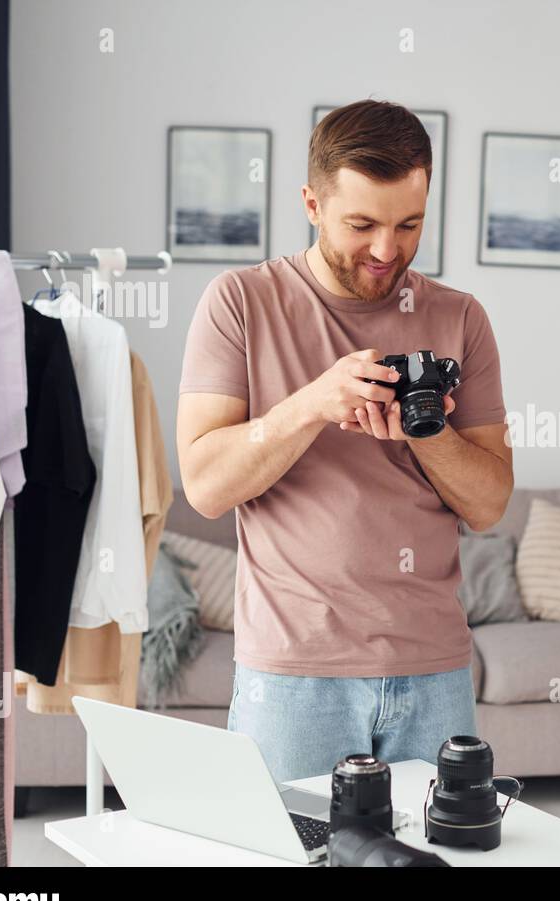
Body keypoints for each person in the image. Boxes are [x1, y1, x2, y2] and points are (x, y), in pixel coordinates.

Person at [176, 100, 513, 783]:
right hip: (292, 672)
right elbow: (206, 486)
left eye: (409, 224)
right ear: (312, 203)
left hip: (434, 669)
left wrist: (426, 436)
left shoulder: (460, 318)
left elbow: (489, 504)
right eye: (362, 225)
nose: (387, 250)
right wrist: (311, 405)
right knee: (289, 843)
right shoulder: (241, 302)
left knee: (432, 845)